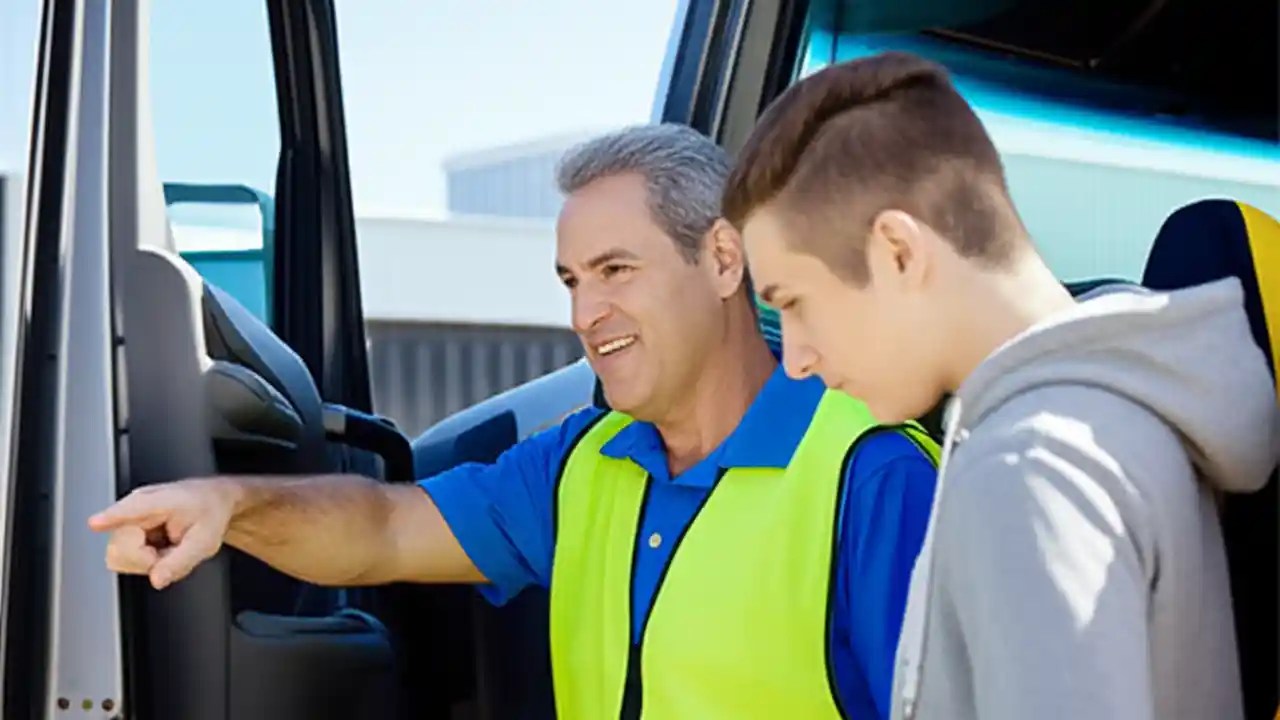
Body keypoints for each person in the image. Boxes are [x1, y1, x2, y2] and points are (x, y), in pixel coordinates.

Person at [89, 123, 940, 719]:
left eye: (615, 270)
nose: (586, 312)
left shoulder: (874, 476)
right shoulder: (585, 461)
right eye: (572, 280)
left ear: (722, 259)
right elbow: (385, 529)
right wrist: (229, 506)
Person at [721, 50, 1280, 720]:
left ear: (897, 251)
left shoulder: (1026, 465)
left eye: (794, 300)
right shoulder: (1122, 418)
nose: (796, 357)